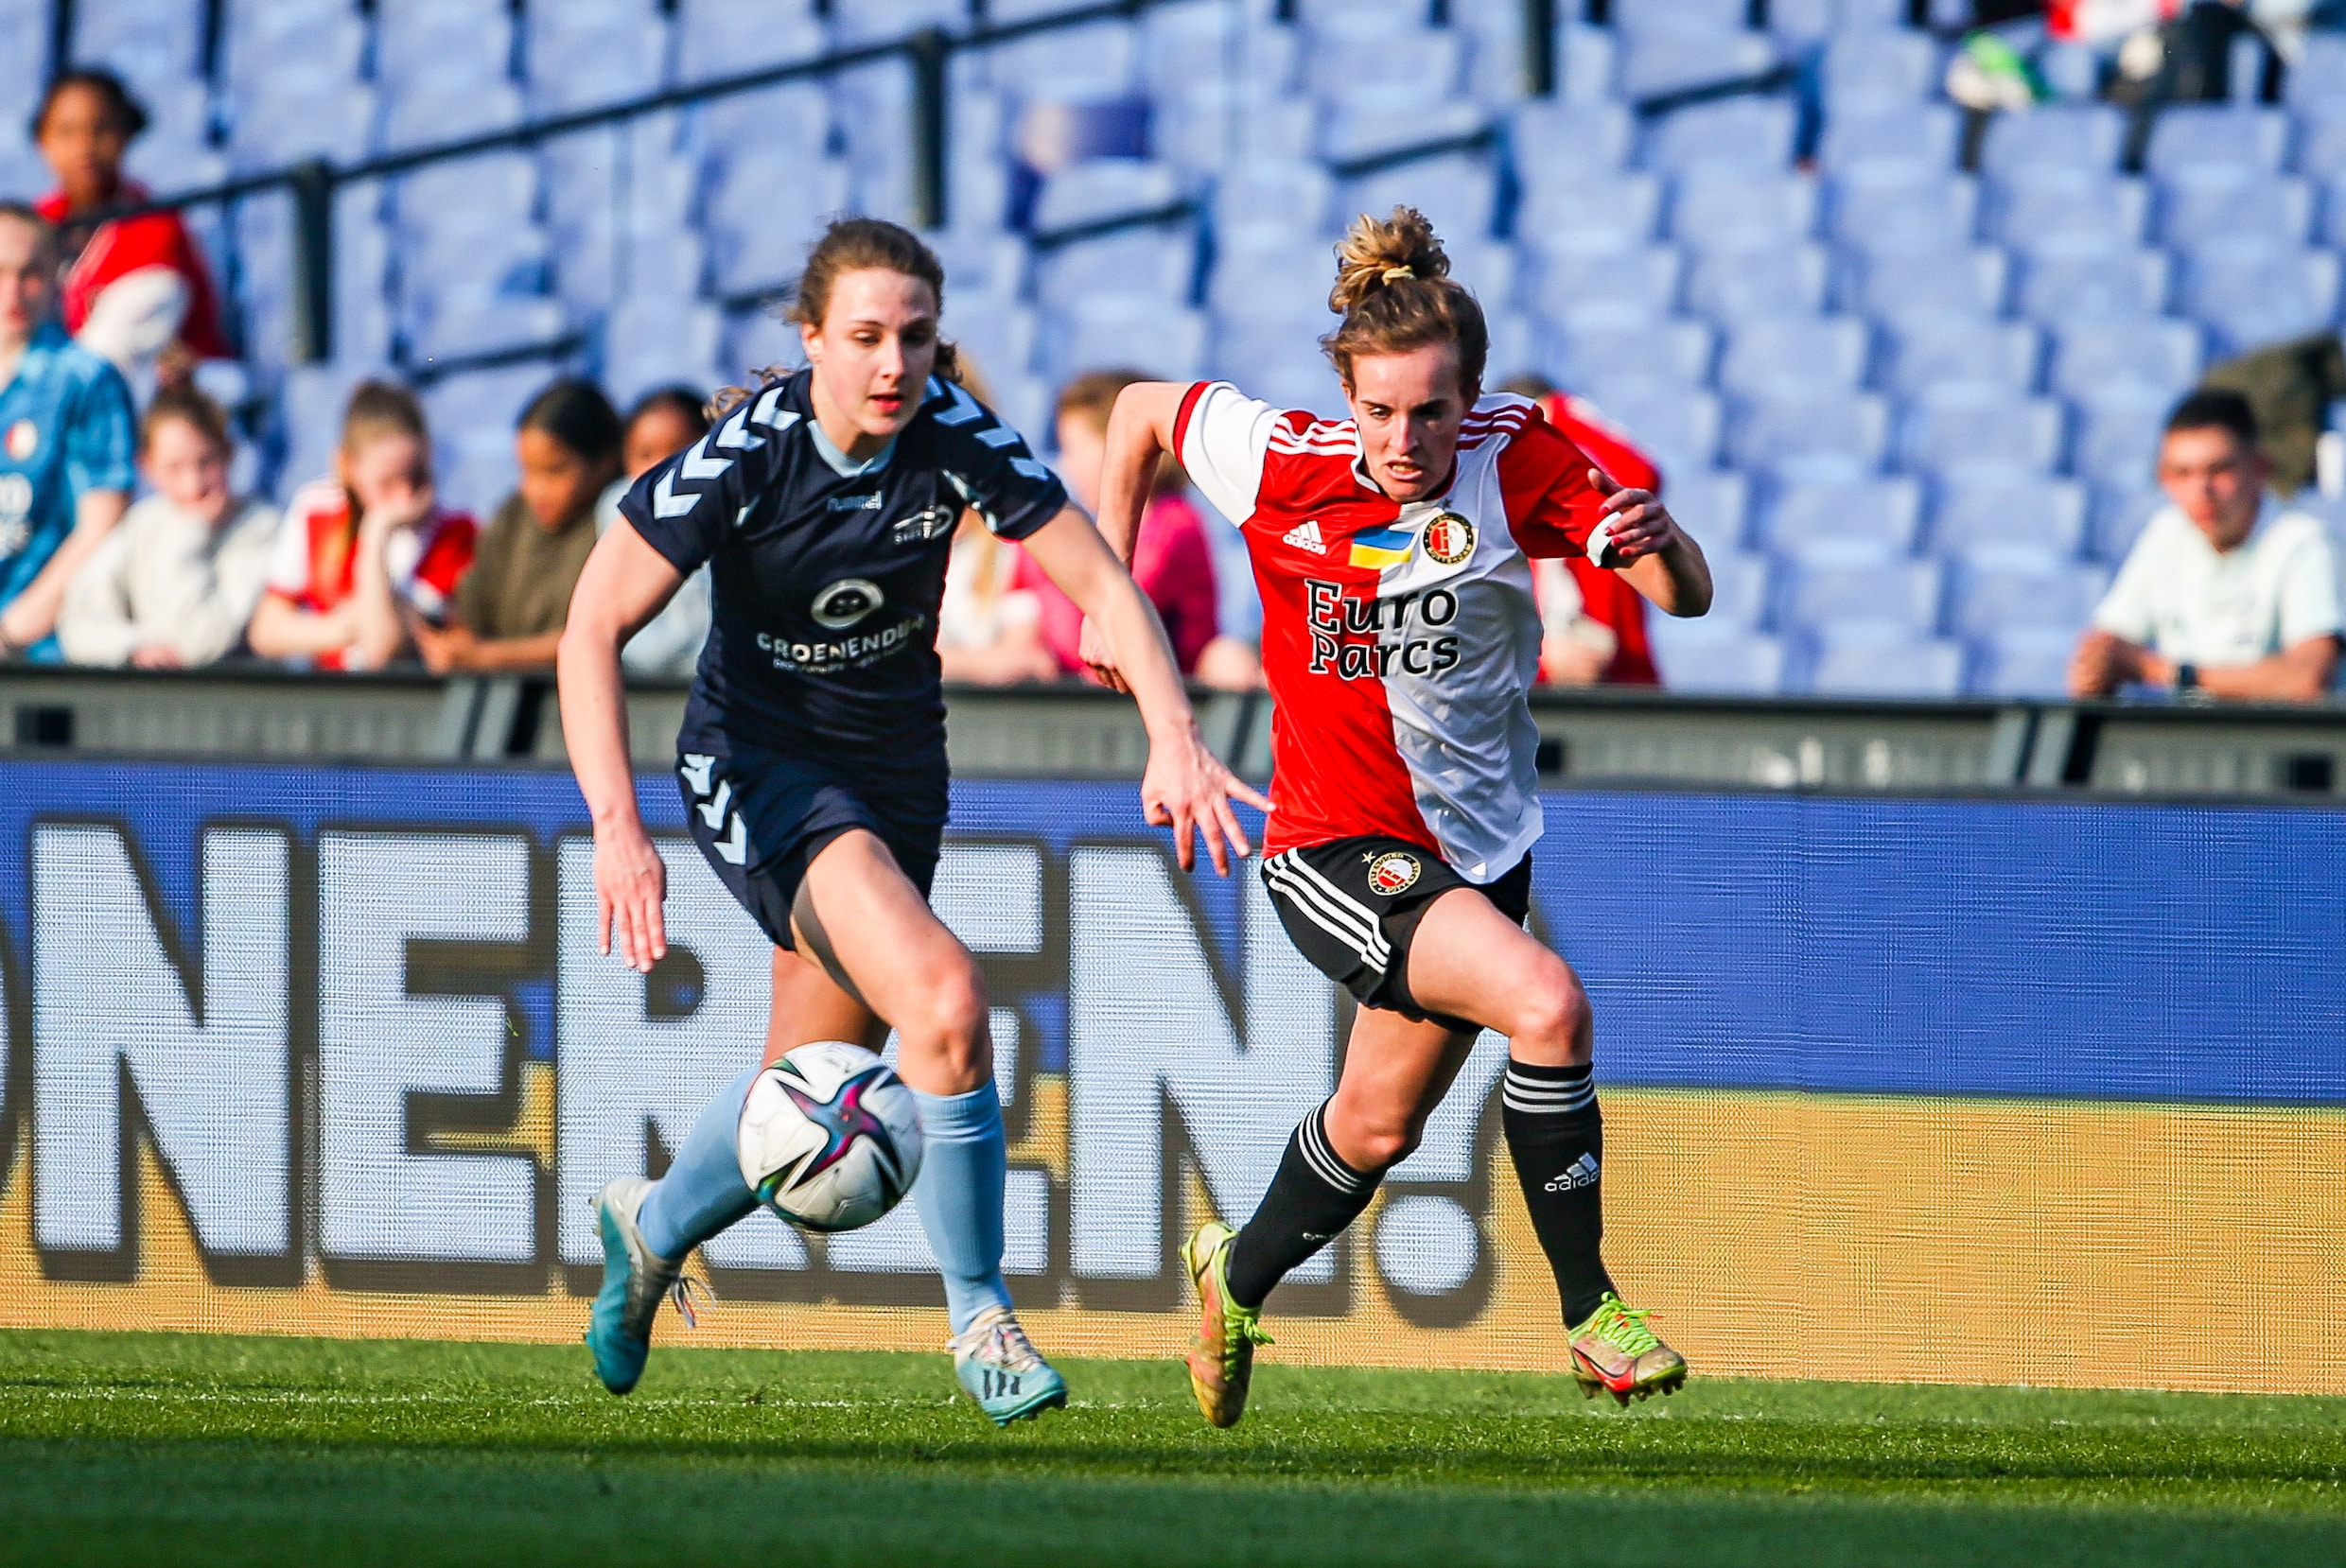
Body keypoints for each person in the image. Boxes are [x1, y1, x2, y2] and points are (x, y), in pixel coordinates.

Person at [557, 217, 1263, 1424]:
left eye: (917, 338)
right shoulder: (744, 455)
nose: (894, 364)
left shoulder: (954, 439)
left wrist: (1174, 733)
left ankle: (650, 1223)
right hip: (759, 763)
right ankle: (981, 1312)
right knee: (942, 1000)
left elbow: (1099, 579)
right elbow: (588, 628)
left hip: (895, 772)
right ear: (813, 339)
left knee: (808, 1084)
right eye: (868, 337)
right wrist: (616, 829)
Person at [1090, 208, 1713, 1428]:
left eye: (1428, 410)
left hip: (1480, 851)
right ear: (1346, 393)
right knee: (1549, 1004)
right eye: (1377, 410)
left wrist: (1665, 540)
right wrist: (1105, 598)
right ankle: (1591, 1312)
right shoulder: (1281, 458)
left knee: (1372, 1123)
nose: (1401, 438)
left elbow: (1679, 597)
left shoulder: (1516, 456)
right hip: (1329, 843)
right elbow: (1135, 414)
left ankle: (1235, 1273)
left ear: (1468, 397)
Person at [2072, 388, 2342, 702]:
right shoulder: (2166, 533)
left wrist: (2164, 672)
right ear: (2164, 479)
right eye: (2182, 473)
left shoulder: (2305, 543)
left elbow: (2307, 679)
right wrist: (2097, 666)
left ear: (2259, 469)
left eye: (2219, 470)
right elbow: (2104, 646)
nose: (2202, 489)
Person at [1021, 368, 1262, 689]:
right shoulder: (1095, 528)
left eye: (1075, 449)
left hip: (1178, 688)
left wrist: (1041, 557)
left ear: (1121, 448)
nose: (1066, 465)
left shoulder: (1176, 523)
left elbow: (1115, 607)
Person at [248, 380, 477, 671]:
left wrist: (376, 532)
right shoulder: (316, 508)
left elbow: (381, 650)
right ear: (347, 465)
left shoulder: (457, 532)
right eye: (387, 482)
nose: (406, 495)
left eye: (417, 475)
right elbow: (266, 631)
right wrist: (342, 628)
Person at [32, 68, 231, 390]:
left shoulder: (155, 224)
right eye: (66, 131)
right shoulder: (34, 225)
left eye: (101, 129)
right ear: (43, 141)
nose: (85, 146)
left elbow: (107, 356)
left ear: (127, 134)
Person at [0, 202, 134, 664]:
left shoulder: (86, 379)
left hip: (48, 656)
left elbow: (103, 522)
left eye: (30, 272)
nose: (13, 291)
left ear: (56, 277)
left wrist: (11, 632)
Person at [58, 386, 276, 667]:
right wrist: (134, 645)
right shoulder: (142, 524)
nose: (193, 485)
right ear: (146, 466)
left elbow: (202, 644)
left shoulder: (259, 528)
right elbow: (77, 623)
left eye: (206, 462)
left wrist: (191, 531)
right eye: (174, 467)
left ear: (228, 454)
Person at [416, 378, 621, 674]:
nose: (534, 489)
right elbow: (475, 597)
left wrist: (486, 657)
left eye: (554, 470)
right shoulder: (515, 515)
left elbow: (600, 635)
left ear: (605, 462)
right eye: (527, 470)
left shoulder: (616, 522)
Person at [1497, 375, 1663, 688]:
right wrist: (1539, 653)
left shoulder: (1592, 508)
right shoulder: (1488, 508)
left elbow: (1640, 479)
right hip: (1524, 698)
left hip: (1621, 686)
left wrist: (1561, 411)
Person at [595, 385, 715, 680]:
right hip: (641, 677)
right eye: (645, 454)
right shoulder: (618, 505)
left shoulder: (723, 505)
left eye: (677, 451)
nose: (660, 468)